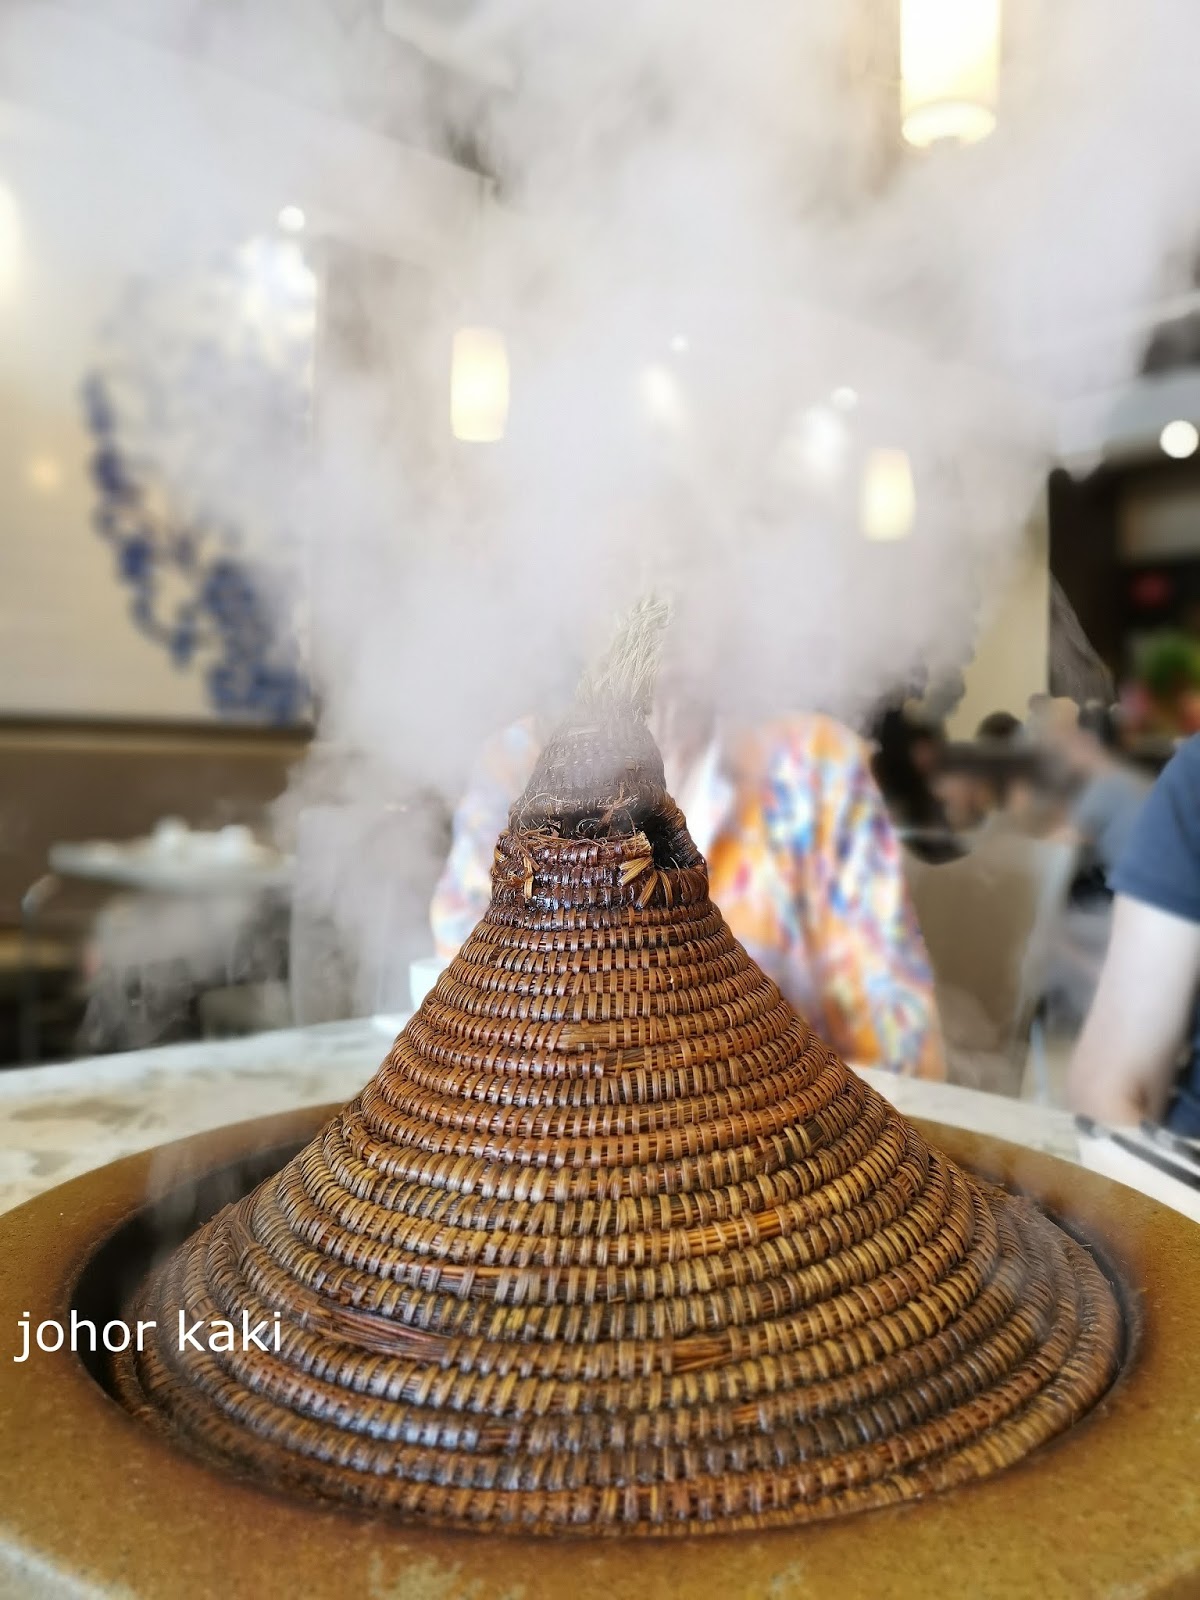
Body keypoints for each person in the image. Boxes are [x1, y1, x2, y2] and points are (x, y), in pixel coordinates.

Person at [432, 704, 945, 1079]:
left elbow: (901, 1045)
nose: (662, 591)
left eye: (694, 562)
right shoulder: (516, 765)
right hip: (534, 1149)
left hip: (769, 1155)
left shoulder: (815, 766)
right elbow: (457, 1000)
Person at [1068, 733, 1200, 1133]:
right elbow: (1110, 1089)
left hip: (1104, 892)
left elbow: (1066, 839)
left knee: (1061, 940)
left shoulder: (1104, 787)